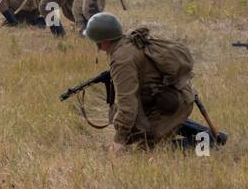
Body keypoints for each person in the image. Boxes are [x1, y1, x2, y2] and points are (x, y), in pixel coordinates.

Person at [81, 13, 217, 152]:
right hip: (163, 99)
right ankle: (176, 127)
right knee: (132, 133)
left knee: (145, 151)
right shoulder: (126, 42)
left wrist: (118, 142)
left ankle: (208, 141)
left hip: (173, 103)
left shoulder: (122, 59)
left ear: (103, 41)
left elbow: (127, 104)